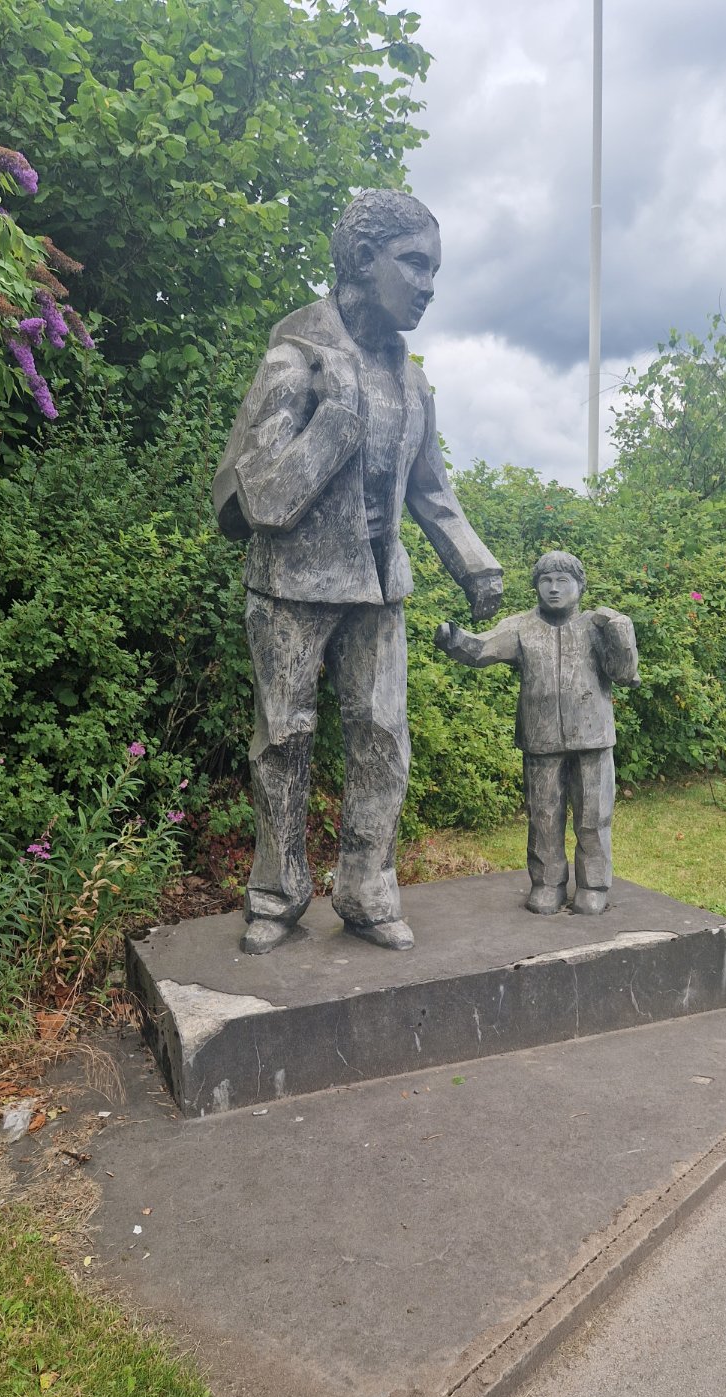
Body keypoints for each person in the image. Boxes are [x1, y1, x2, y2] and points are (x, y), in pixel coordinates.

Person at [213, 190, 503, 953]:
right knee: (283, 739)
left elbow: (431, 491)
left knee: (383, 736)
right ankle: (275, 895)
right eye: (413, 263)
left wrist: (475, 566)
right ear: (360, 261)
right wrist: (337, 419)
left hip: (379, 587)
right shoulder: (293, 361)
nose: (428, 284)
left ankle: (368, 887)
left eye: (434, 268)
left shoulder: (409, 380)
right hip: (291, 586)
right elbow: (261, 494)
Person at [434, 551, 639, 916]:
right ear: (535, 587)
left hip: (593, 738)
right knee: (543, 815)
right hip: (540, 738)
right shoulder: (521, 627)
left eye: (563, 581)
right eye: (546, 582)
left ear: (581, 586)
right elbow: (482, 648)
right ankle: (547, 883)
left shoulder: (597, 626)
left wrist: (621, 632)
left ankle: (593, 885)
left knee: (593, 817)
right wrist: (454, 639)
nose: (554, 589)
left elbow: (623, 674)